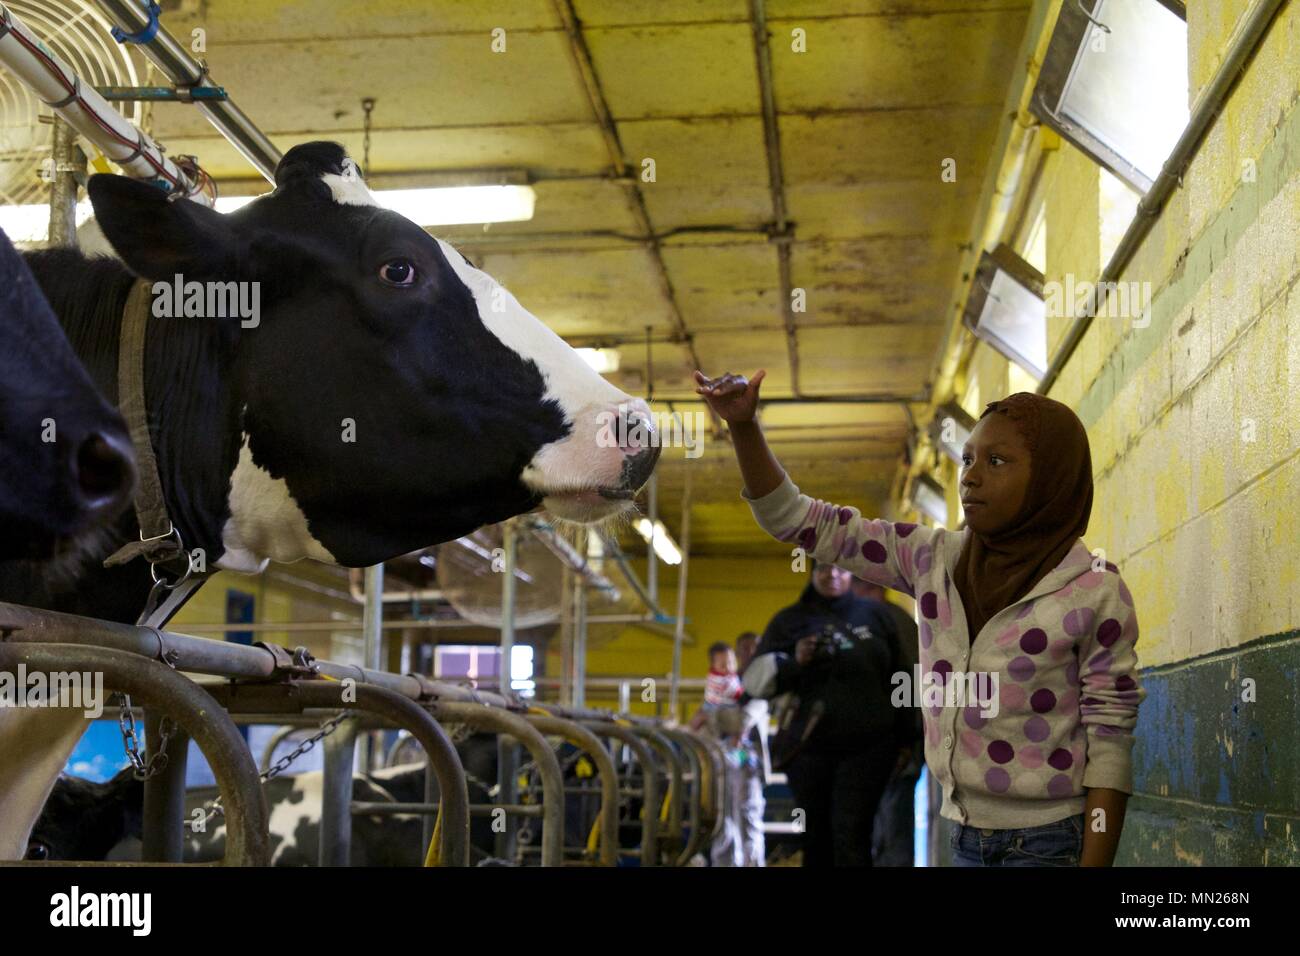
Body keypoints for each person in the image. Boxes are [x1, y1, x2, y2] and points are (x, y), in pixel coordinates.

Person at [696, 369, 1145, 868]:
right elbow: (796, 519)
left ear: (1049, 479)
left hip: (1049, 842)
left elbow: (1110, 743)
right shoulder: (931, 559)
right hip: (963, 836)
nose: (971, 476)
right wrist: (743, 427)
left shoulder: (1095, 591)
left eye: (996, 462)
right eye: (968, 459)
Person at [743, 558, 915, 867]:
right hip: (809, 750)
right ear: (811, 573)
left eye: (839, 567)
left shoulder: (877, 617)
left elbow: (902, 678)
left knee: (853, 835)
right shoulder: (790, 621)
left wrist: (909, 738)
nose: (831, 575)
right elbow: (754, 684)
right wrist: (794, 660)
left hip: (870, 749)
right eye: (822, 568)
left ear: (851, 572)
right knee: (816, 837)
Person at [854, 577, 924, 866]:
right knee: (890, 825)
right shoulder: (904, 623)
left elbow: (904, 687)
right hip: (900, 742)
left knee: (889, 828)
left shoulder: (884, 626)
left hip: (893, 743)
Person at [688, 641, 746, 866]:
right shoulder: (719, 687)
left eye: (731, 661)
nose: (728, 666)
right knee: (714, 815)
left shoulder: (737, 689)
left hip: (726, 764)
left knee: (726, 816)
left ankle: (727, 861)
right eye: (723, 663)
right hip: (713, 763)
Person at [734, 631, 769, 866]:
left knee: (749, 818)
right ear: (737, 653)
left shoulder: (766, 680)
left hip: (749, 759)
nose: (750, 653)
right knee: (726, 819)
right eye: (745, 648)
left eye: (754, 648)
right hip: (725, 759)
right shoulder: (729, 681)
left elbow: (747, 717)